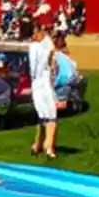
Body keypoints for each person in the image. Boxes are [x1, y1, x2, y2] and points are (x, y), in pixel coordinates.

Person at [28, 24, 59, 157]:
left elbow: (52, 58)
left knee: (47, 115)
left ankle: (44, 145)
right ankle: (44, 145)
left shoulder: (43, 44)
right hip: (40, 84)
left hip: (43, 83)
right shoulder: (36, 46)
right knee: (47, 116)